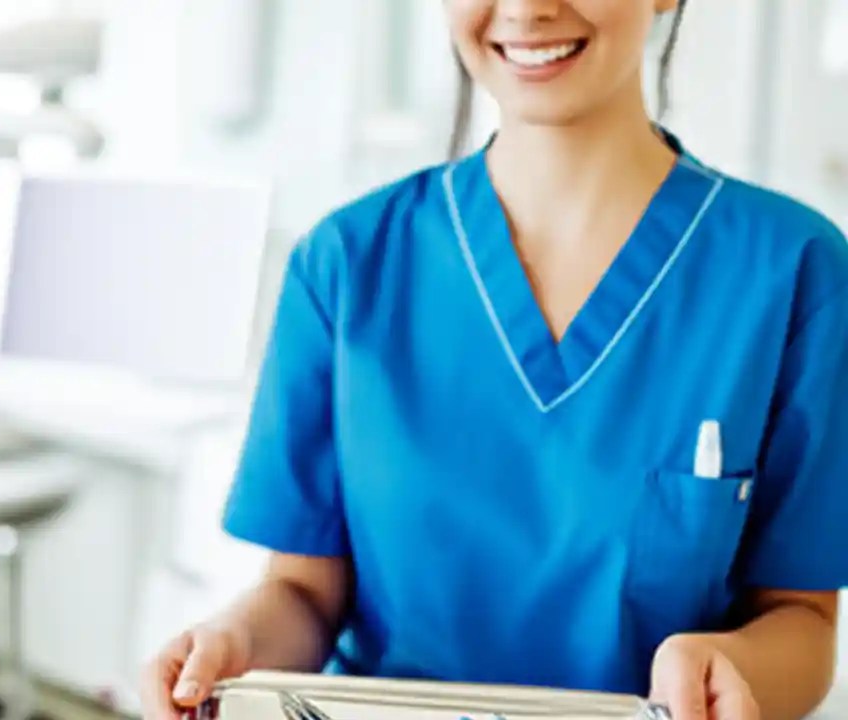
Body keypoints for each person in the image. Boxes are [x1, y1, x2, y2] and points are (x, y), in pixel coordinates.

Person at [141, 2, 848, 720]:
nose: (526, 9)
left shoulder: (791, 272)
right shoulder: (347, 265)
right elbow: (304, 593)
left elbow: (803, 618)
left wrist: (729, 670)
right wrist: (232, 644)